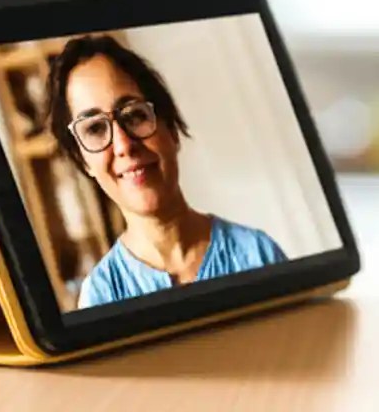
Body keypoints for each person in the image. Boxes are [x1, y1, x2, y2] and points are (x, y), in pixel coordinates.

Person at [45, 35, 287, 309]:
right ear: (83, 160)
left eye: (134, 115)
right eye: (95, 129)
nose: (124, 145)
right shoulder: (101, 298)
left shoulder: (258, 254)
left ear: (170, 128)